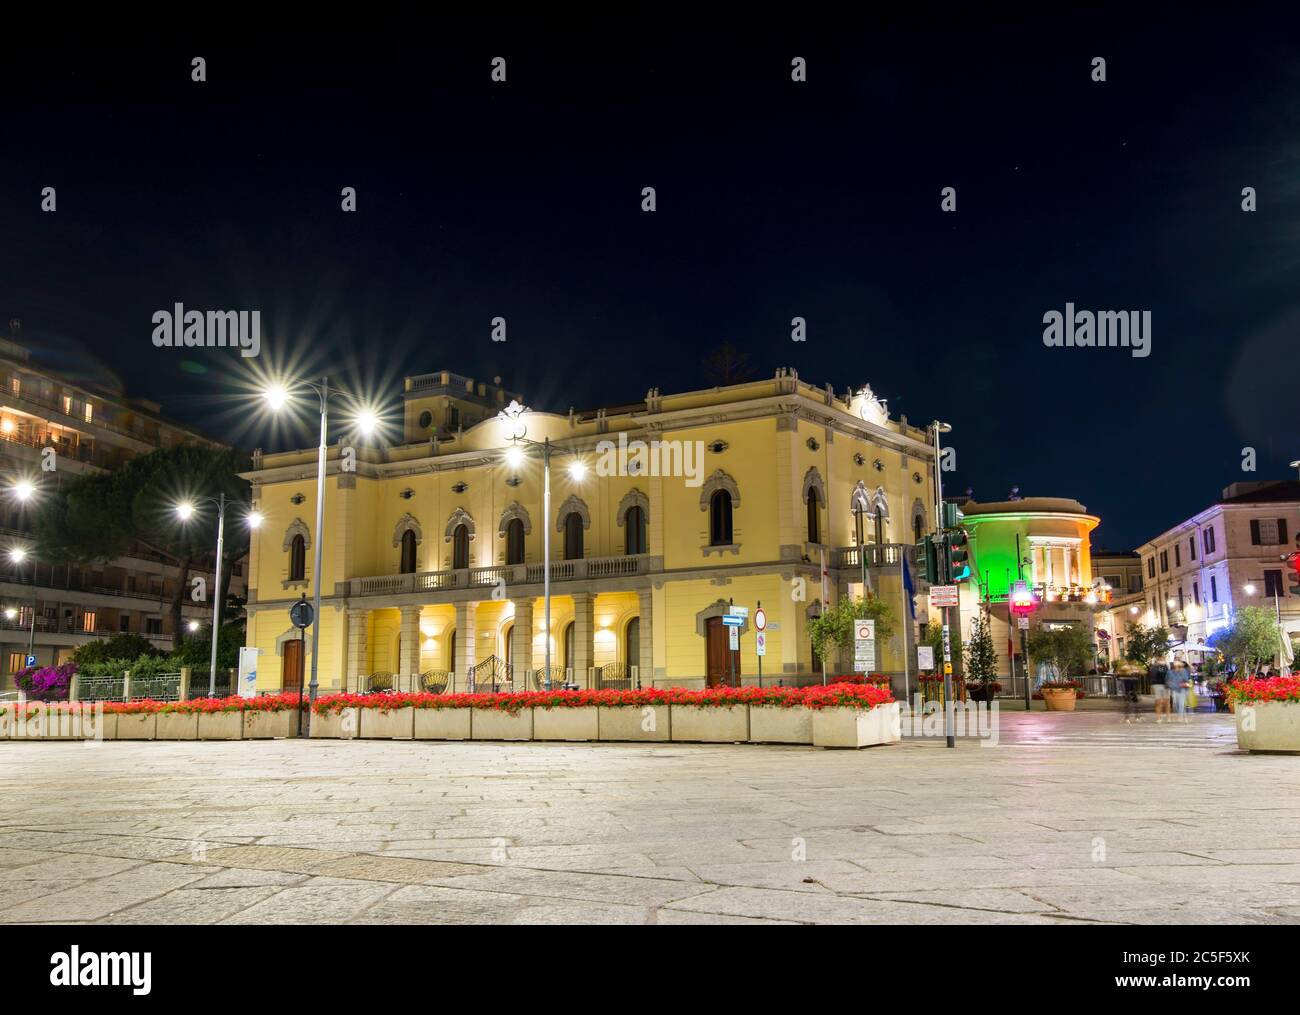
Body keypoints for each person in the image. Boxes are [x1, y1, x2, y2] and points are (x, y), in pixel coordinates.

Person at [1150, 654, 1170, 723]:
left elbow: (1168, 675)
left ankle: (1168, 717)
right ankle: (1158, 718)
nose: (1162, 660)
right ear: (1157, 660)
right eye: (1160, 659)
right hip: (1157, 685)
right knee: (1158, 702)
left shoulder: (1166, 666)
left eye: (1163, 659)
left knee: (1166, 702)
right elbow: (1153, 675)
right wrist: (1159, 666)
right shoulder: (1154, 667)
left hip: (1166, 685)